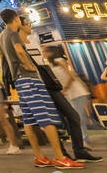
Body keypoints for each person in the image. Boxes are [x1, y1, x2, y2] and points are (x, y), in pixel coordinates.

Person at [0, 9, 83, 169]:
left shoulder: (2, 36)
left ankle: (40, 157)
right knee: (47, 117)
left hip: (19, 81)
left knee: (29, 120)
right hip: (30, 79)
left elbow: (0, 54)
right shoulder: (14, 33)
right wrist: (28, 65)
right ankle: (60, 157)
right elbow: (19, 51)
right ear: (16, 19)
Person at [17, 18, 102, 162]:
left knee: (73, 116)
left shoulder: (34, 42)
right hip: (35, 85)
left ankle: (79, 151)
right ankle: (63, 153)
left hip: (50, 84)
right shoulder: (16, 44)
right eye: (27, 24)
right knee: (50, 121)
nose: (30, 26)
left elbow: (41, 64)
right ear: (20, 25)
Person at [46, 47, 95, 131]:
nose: (43, 53)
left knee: (78, 116)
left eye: (45, 51)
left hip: (77, 92)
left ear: (51, 52)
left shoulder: (59, 60)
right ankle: (82, 138)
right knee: (76, 117)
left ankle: (85, 139)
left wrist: (64, 89)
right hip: (69, 94)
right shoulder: (50, 65)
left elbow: (71, 76)